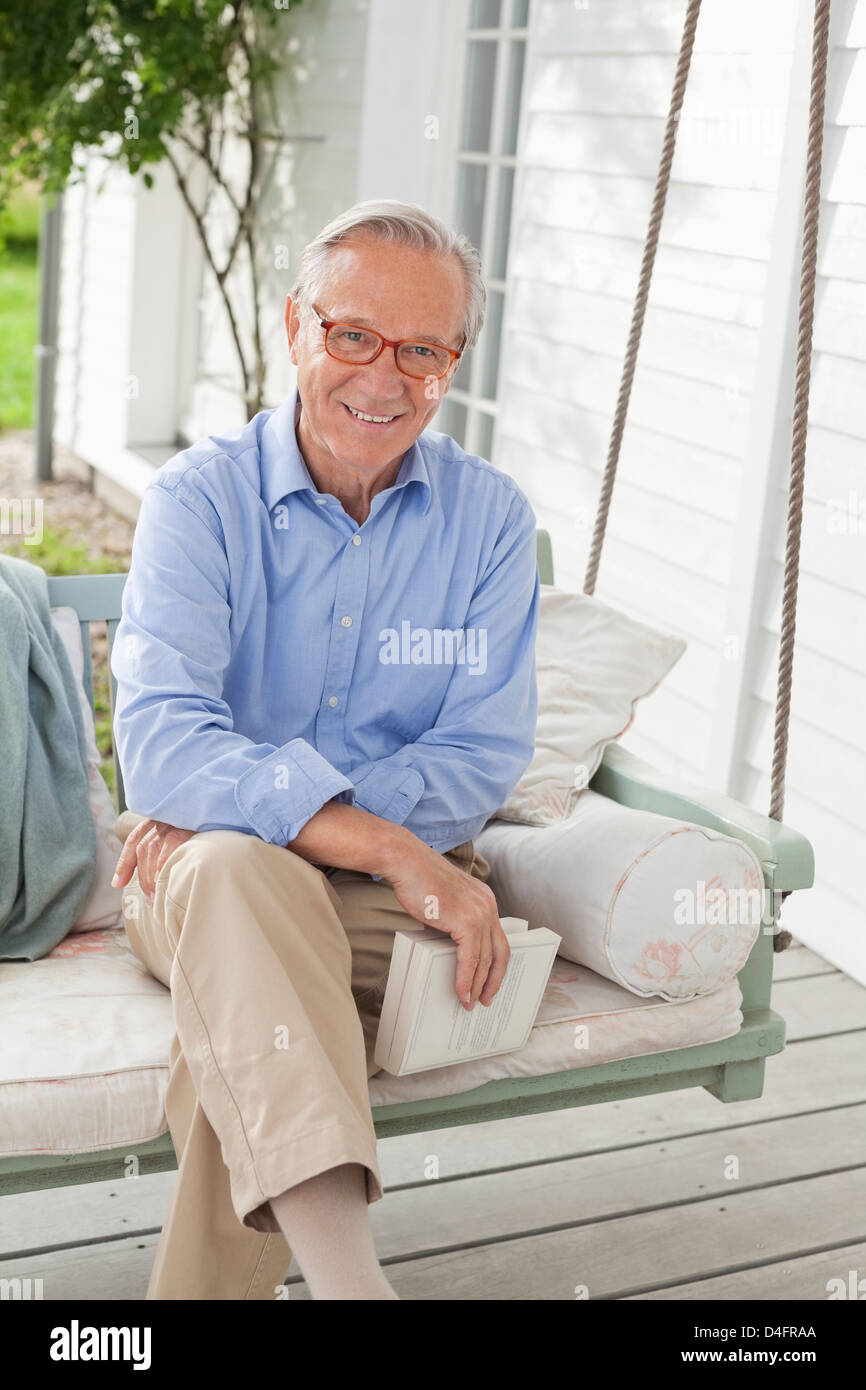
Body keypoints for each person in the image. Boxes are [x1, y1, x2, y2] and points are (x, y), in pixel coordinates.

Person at [110, 199, 540, 1301]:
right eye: (352, 334)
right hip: (203, 879)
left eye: (421, 349)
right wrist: (369, 839)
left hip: (395, 896)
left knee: (245, 920)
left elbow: (478, 747)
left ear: (453, 362)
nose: (382, 378)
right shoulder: (198, 503)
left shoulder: (487, 520)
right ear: (297, 325)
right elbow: (162, 740)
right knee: (227, 873)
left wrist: (284, 815)